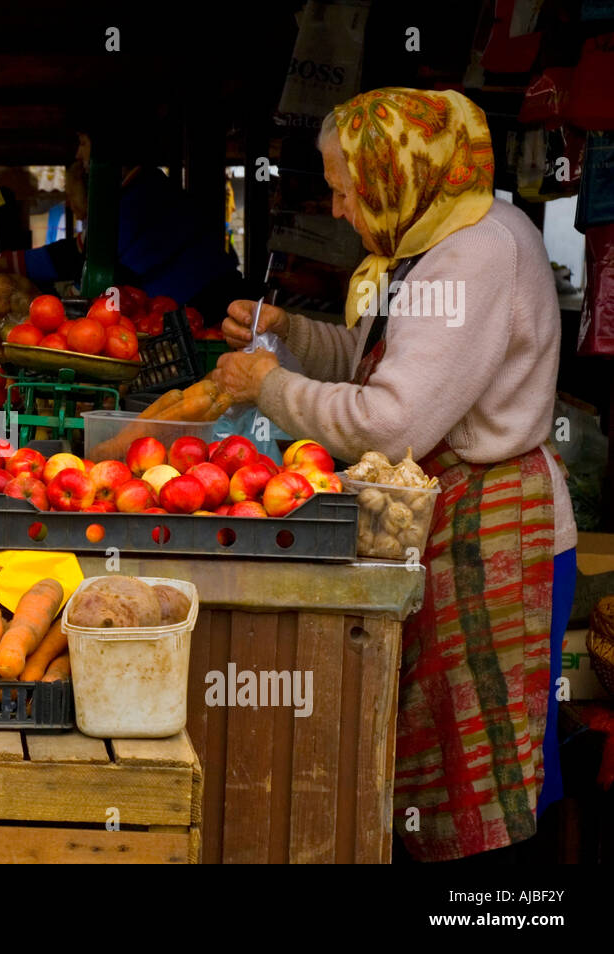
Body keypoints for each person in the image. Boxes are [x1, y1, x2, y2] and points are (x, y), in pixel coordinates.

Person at [212, 87, 577, 862]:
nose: (339, 209)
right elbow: (379, 362)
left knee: (490, 793)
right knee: (449, 774)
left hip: (493, 541)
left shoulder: (476, 254)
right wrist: (293, 336)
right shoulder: (433, 236)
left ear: (393, 174)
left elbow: (397, 419)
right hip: (448, 526)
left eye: (346, 188)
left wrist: (268, 389)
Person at [0, 132, 251, 324]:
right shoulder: (137, 190)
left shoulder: (143, 193)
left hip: (209, 308)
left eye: (83, 142)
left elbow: (79, 254)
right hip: (195, 310)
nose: (80, 155)